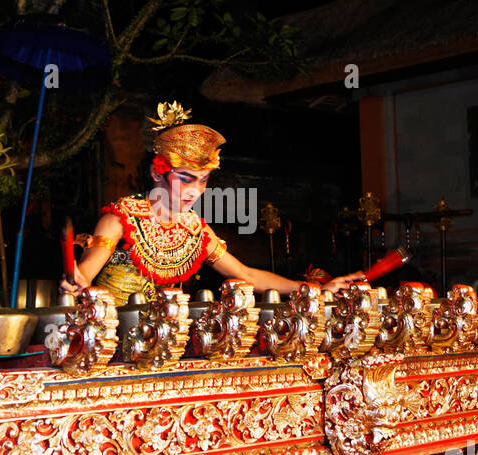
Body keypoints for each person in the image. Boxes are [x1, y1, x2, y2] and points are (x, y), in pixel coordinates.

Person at [62, 103, 359, 305]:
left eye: (203, 180)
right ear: (157, 172)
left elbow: (246, 275)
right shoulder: (121, 219)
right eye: (186, 178)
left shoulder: (195, 231)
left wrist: (315, 290)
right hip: (108, 339)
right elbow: (87, 270)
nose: (195, 190)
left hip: (164, 342)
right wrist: (79, 279)